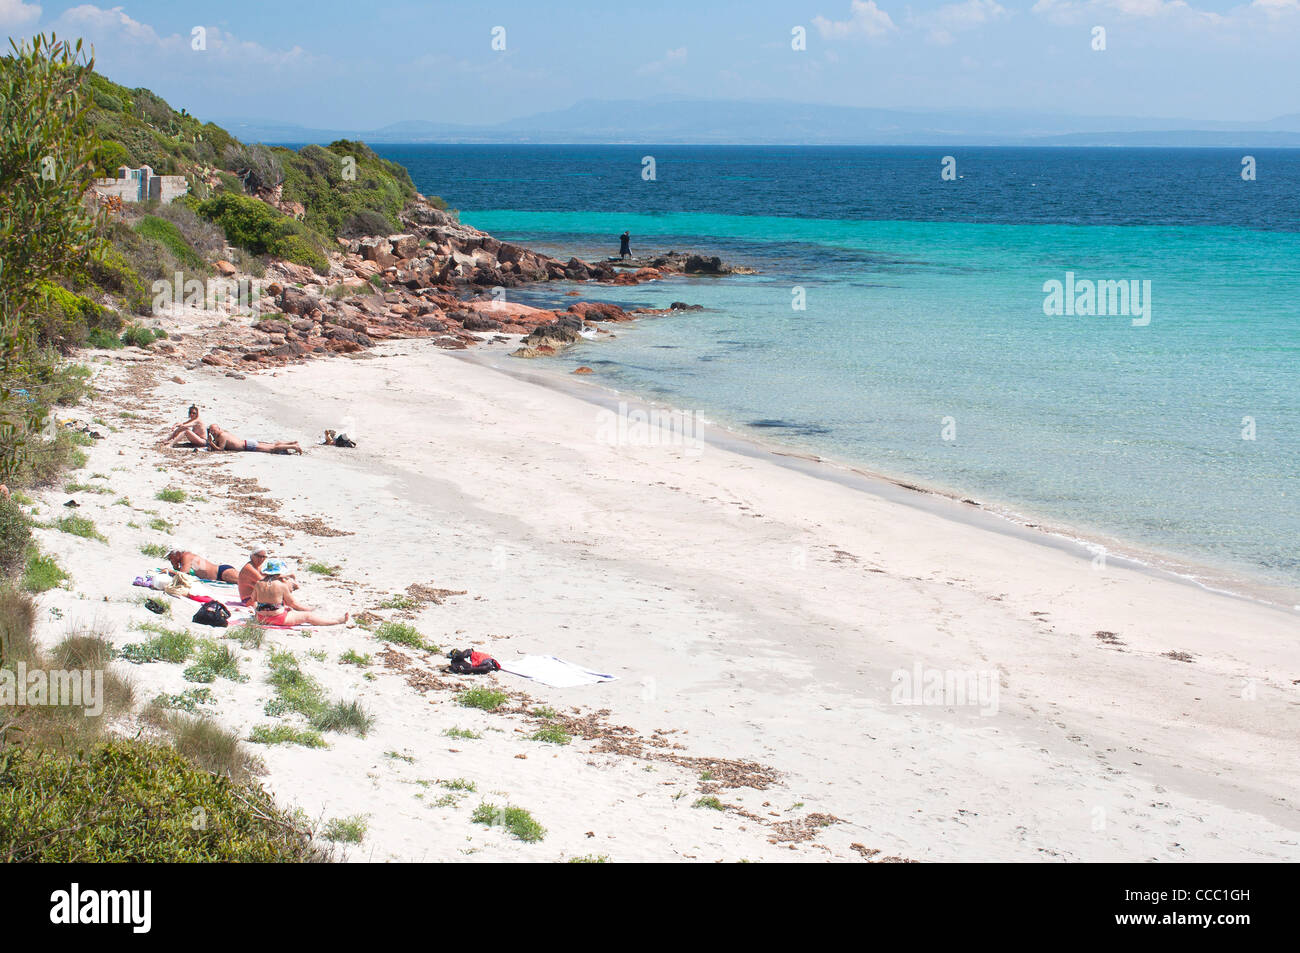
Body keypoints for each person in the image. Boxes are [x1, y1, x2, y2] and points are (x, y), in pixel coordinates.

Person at [252, 558, 348, 627]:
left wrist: (265, 608)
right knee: (308, 616)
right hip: (277, 618)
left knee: (283, 608)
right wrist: (309, 609)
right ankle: (336, 621)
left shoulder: (258, 584)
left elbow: (253, 600)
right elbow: (293, 603)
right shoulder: (281, 586)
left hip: (260, 618)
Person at [206, 424, 302, 455]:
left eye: (214, 431)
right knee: (272, 445)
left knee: (272, 449)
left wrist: (211, 443)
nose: (213, 433)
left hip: (248, 445)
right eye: (211, 431)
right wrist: (212, 442)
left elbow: (220, 449)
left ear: (218, 429)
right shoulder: (221, 434)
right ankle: (292, 443)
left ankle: (293, 446)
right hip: (248, 443)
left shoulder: (222, 436)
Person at [166, 550, 238, 584]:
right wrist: (175, 565)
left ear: (176, 554)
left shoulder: (186, 556)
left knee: (246, 581)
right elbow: (181, 573)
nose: (170, 560)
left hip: (222, 572)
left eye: (170, 557)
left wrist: (168, 571)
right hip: (219, 575)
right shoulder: (184, 560)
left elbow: (183, 574)